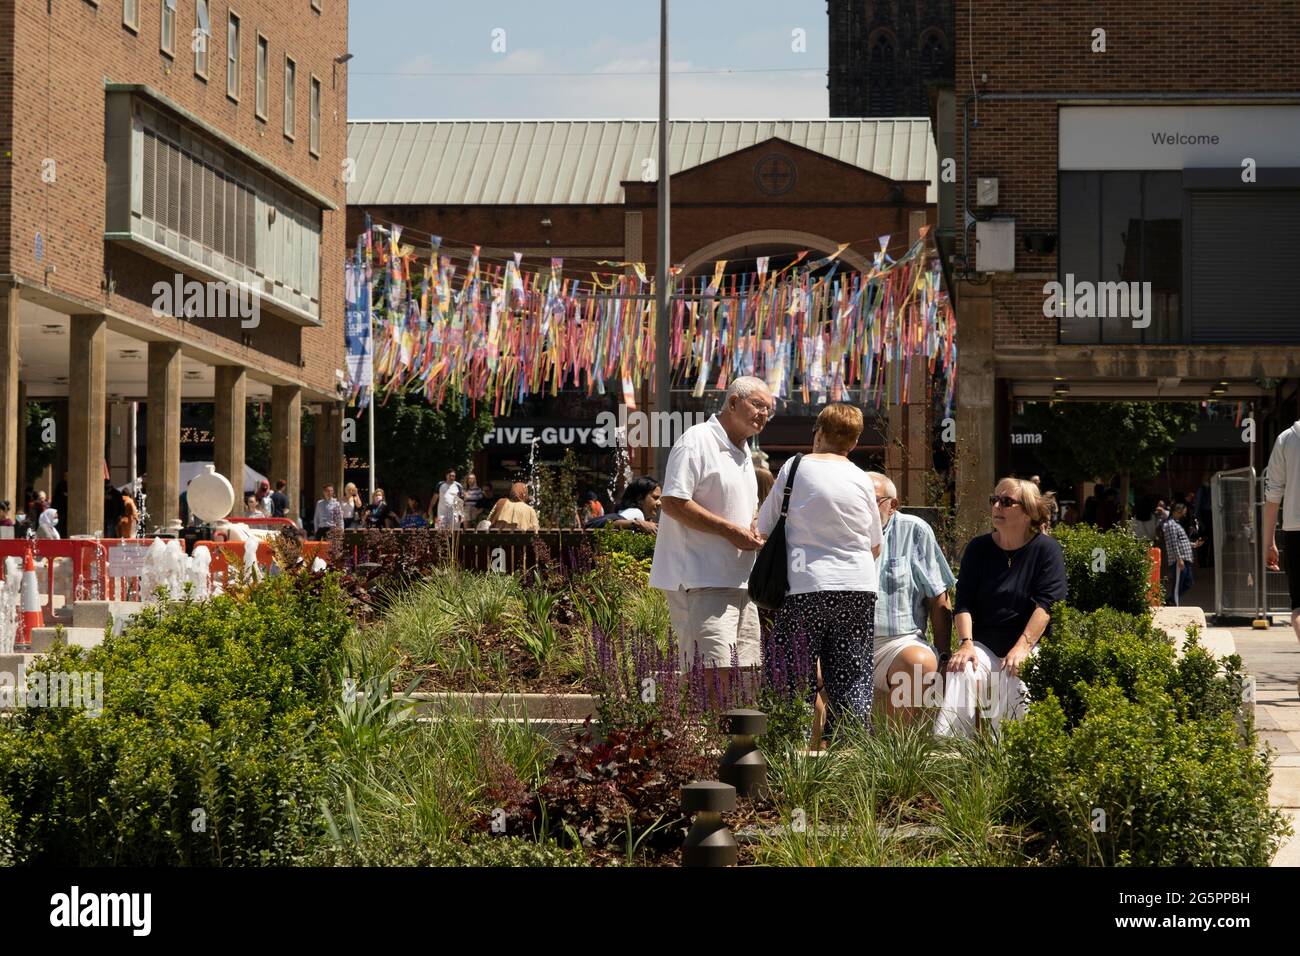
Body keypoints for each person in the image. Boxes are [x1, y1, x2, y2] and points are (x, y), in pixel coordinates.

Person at [758, 404, 883, 738]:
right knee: (852, 678)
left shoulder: (795, 467)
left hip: (806, 585)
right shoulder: (861, 478)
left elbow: (764, 525)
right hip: (858, 587)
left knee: (789, 675)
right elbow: (875, 545)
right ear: (854, 443)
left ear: (819, 433)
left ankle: (785, 756)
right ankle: (852, 764)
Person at [650, 376, 772, 688]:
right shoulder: (697, 440)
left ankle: (734, 739)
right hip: (701, 580)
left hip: (741, 583)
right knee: (711, 676)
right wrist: (730, 531)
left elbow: (737, 508)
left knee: (745, 675)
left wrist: (756, 526)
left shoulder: (743, 452)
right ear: (733, 402)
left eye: (769, 410)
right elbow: (673, 502)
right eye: (758, 405)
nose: (764, 414)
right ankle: (707, 738)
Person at [936, 477, 1067, 738]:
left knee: (1016, 675)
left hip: (1028, 644)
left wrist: (1023, 646)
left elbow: (1046, 604)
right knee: (962, 668)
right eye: (993, 500)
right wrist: (966, 643)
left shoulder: (1046, 550)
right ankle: (951, 752)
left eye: (1006, 502)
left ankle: (1006, 755)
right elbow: (963, 603)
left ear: (1029, 511)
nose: (997, 506)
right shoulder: (978, 548)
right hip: (983, 645)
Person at [866, 471, 956, 722]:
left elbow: (938, 597)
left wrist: (943, 655)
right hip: (846, 640)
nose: (860, 506)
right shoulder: (840, 528)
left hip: (897, 642)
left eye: (869, 499)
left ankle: (892, 752)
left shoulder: (914, 530)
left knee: (919, 663)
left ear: (892, 505)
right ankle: (816, 753)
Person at [1263, 420, 1300, 667]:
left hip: (1296, 531)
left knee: (1299, 607)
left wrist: (1269, 543)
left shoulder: (1287, 439)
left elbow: (1272, 496)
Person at [1161, 503, 1195, 605]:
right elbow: (1174, 543)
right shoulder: (1171, 525)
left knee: (1188, 582)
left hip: (1185, 558)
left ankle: (1170, 601)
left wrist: (1194, 544)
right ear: (1177, 512)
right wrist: (1179, 558)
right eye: (1182, 513)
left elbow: (1181, 541)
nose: (1183, 515)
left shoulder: (1176, 524)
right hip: (1179, 559)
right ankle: (1175, 605)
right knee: (1178, 585)